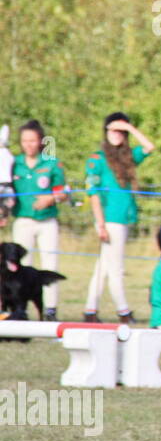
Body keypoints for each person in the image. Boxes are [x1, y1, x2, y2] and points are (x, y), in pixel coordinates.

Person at [84, 112, 155, 324]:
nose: (116, 135)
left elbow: (149, 147)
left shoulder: (127, 157)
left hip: (122, 217)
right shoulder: (97, 159)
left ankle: (90, 310)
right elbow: (93, 192)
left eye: (120, 131)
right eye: (112, 130)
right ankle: (124, 311)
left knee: (104, 267)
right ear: (105, 132)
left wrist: (130, 128)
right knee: (115, 268)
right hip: (110, 219)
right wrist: (101, 223)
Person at [9, 120, 67, 320]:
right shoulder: (14, 163)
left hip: (46, 221)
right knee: (20, 266)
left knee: (50, 264)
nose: (28, 144)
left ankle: (50, 310)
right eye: (25, 140)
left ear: (40, 141)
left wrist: (51, 198)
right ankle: (19, 308)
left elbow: (63, 191)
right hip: (23, 220)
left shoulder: (51, 163)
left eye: (32, 140)